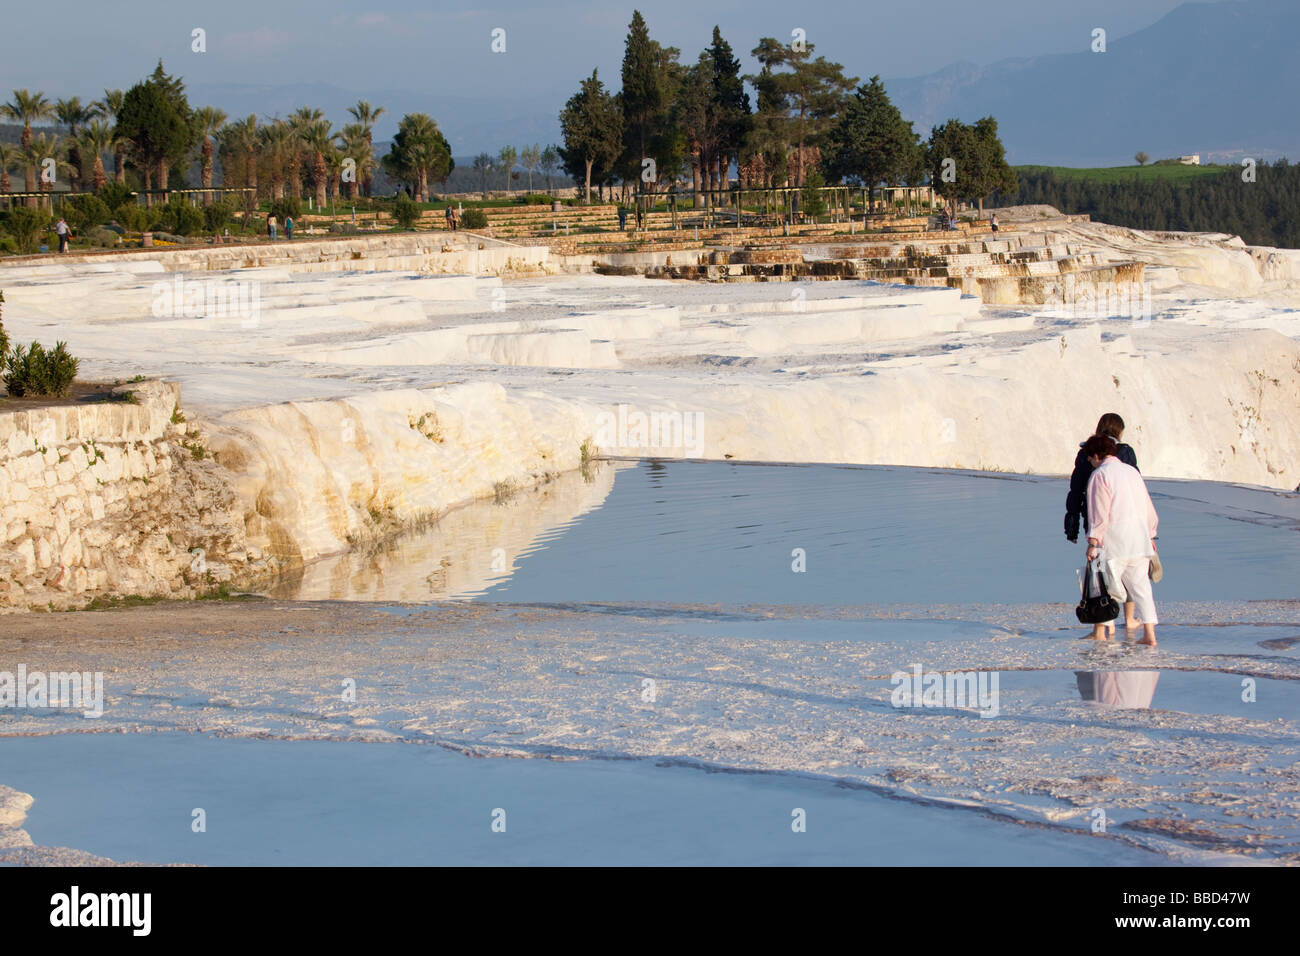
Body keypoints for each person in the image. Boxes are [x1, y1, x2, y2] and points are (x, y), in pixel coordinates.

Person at [1066, 413, 1140, 632]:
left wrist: (1072, 524)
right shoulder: (1124, 452)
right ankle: (1129, 618)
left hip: (1094, 519)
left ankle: (1102, 626)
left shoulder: (1084, 453)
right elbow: (1135, 487)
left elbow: (1076, 489)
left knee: (1100, 570)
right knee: (1127, 568)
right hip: (1122, 520)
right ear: (1119, 431)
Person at [1083, 434, 1160, 646]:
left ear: (1097, 455)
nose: (1090, 462)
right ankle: (1149, 636)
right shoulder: (1131, 472)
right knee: (1141, 588)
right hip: (1139, 539)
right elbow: (1148, 506)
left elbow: (1100, 513)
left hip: (1115, 541)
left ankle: (1101, 634)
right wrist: (1151, 534)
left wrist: (1093, 542)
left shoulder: (1101, 475)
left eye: (1090, 458)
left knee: (1104, 588)